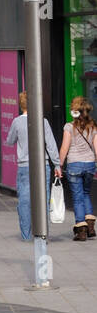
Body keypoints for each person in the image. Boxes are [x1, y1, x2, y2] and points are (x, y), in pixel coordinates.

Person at [5, 91, 61, 241]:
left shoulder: (16, 122)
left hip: (24, 166)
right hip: (42, 166)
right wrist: (57, 164)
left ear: (21, 105)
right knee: (43, 197)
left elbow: (9, 141)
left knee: (24, 200)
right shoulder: (43, 121)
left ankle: (26, 234)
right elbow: (51, 145)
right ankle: (42, 233)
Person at [58, 96, 96, 241]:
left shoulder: (69, 127)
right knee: (86, 193)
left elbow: (64, 148)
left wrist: (59, 165)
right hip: (89, 164)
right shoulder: (93, 126)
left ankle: (81, 230)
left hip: (74, 164)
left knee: (77, 197)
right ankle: (90, 225)